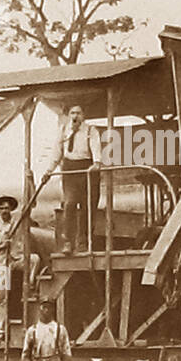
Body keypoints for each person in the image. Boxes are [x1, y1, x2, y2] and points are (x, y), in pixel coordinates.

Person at [0, 195, 39, 342]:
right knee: (2, 298)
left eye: (7, 208)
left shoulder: (17, 222)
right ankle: (2, 331)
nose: (4, 211)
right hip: (3, 264)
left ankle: (32, 285)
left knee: (34, 260)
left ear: (11, 210)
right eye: (1, 208)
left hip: (17, 259)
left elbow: (28, 208)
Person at [53, 104, 102, 254]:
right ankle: (68, 240)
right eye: (72, 113)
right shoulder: (63, 130)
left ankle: (83, 241)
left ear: (83, 115)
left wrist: (96, 163)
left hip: (87, 168)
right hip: (70, 169)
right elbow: (57, 152)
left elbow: (96, 148)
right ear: (69, 115)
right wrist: (49, 169)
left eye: (78, 113)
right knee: (70, 203)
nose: (75, 116)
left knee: (88, 206)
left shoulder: (90, 131)